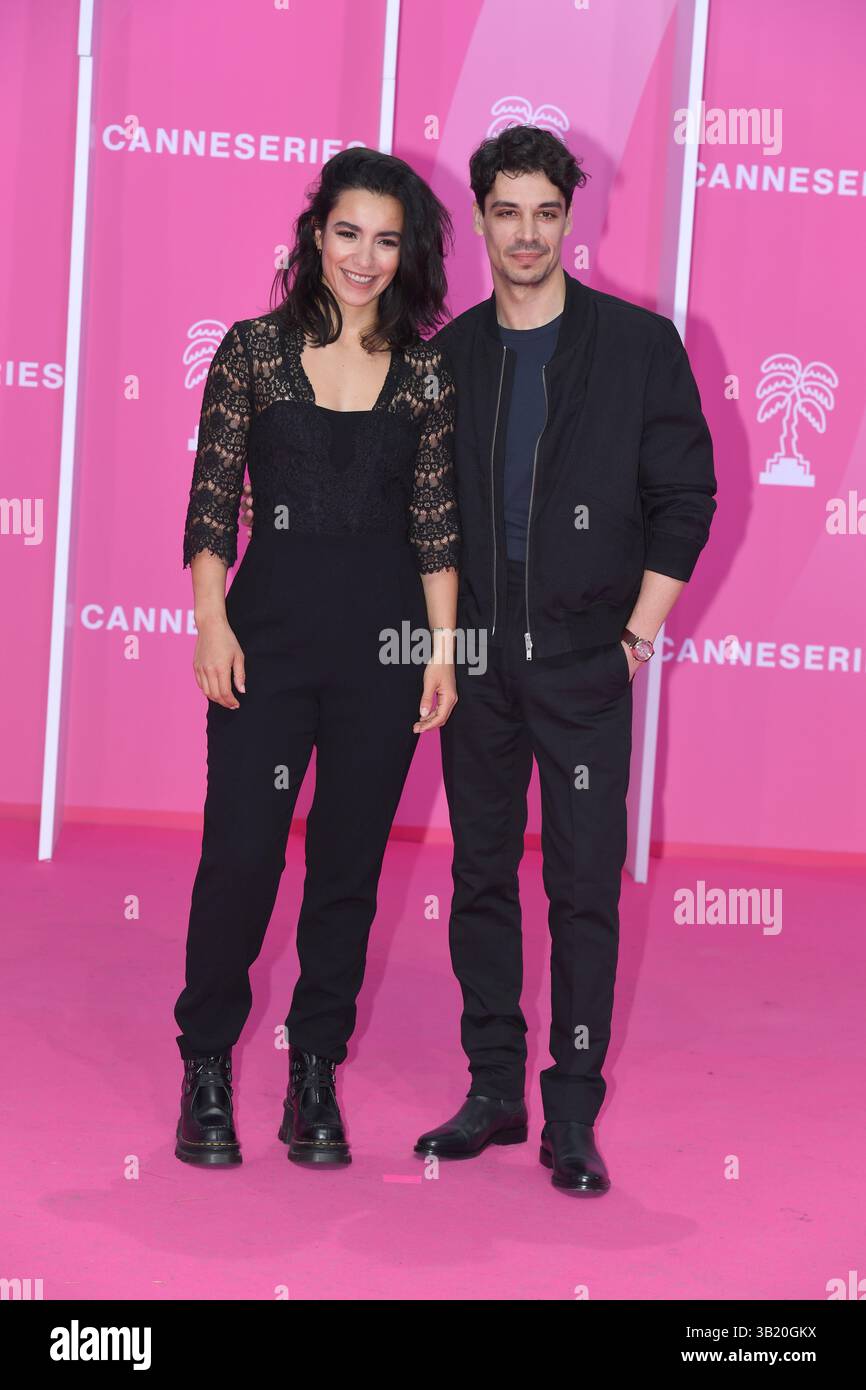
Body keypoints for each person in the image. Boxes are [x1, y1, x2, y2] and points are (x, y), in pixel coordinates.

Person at [242, 124, 717, 1197]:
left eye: (545, 212)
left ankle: (573, 1110)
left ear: (568, 217)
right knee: (480, 875)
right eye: (505, 211)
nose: (525, 233)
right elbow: (415, 518)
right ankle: (494, 1088)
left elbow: (684, 498)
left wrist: (635, 634)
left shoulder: (638, 347)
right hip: (474, 663)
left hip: (587, 659)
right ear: (484, 218)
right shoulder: (443, 359)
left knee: (584, 885)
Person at [175, 147, 461, 1170]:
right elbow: (211, 506)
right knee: (242, 856)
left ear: (407, 253)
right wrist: (212, 620)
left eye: (387, 240)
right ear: (315, 235)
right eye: (348, 232)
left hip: (384, 651)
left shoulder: (428, 370)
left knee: (346, 870)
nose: (364, 256)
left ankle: (312, 1071)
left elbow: (436, 525)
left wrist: (441, 651)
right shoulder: (249, 351)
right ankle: (205, 1059)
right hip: (265, 643)